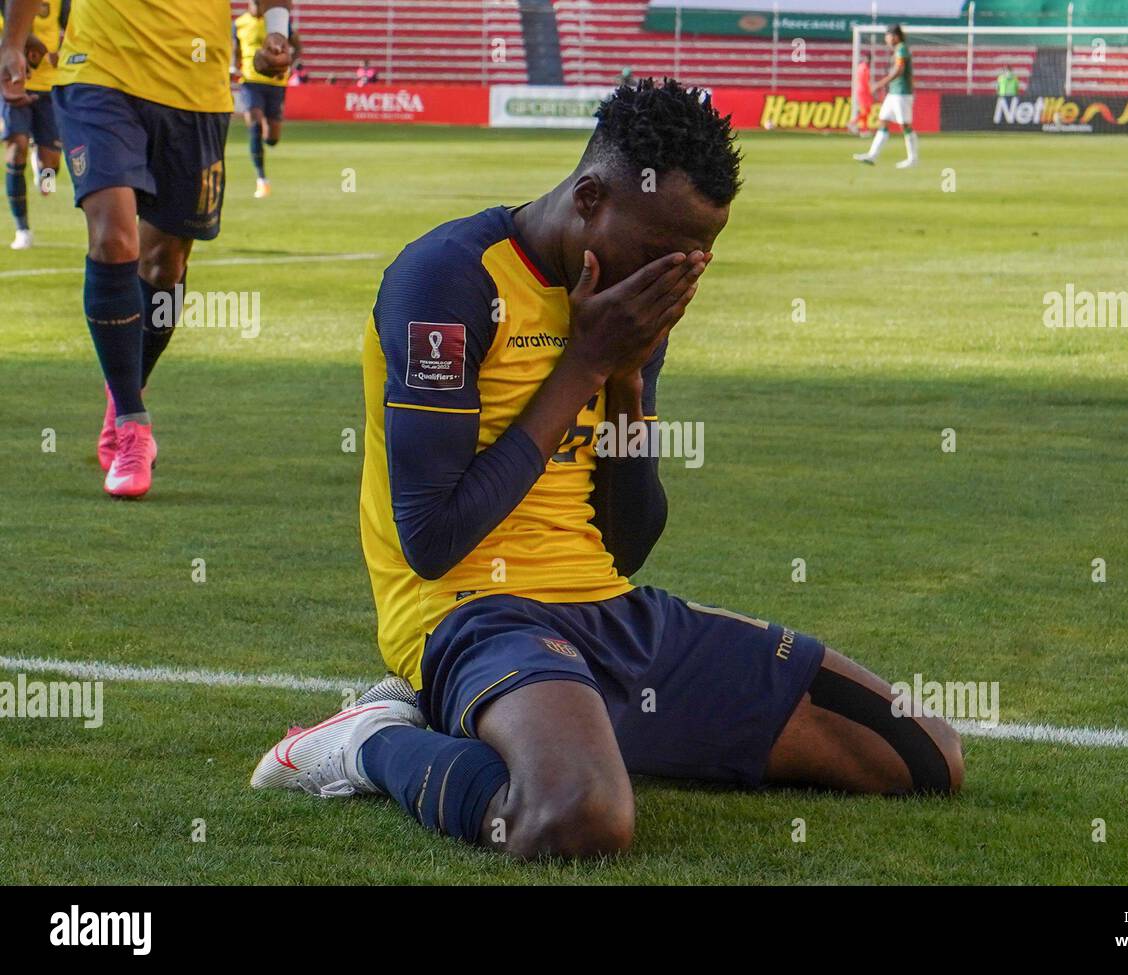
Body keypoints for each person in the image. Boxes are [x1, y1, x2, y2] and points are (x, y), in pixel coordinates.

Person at [250, 80, 964, 860]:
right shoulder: (450, 280)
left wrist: (625, 380)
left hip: (603, 607)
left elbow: (625, 546)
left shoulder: (626, 300)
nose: (679, 277)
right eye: (663, 253)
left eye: (698, 258)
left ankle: (572, 722)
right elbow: (431, 538)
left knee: (923, 755)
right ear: (590, 198)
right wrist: (582, 365)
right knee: (577, 818)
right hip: (469, 614)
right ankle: (368, 742)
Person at [0, 0, 292, 498]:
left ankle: (123, 392)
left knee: (165, 265)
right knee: (114, 238)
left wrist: (277, 35)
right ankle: (134, 425)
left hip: (195, 94)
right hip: (98, 75)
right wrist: (12, 38)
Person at [2, 0, 67, 250]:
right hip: (15, 80)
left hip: (50, 84)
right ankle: (22, 229)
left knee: (50, 162)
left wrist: (62, 52)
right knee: (16, 147)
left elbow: (71, 28)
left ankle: (42, 169)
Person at [233, 0, 297, 199]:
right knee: (254, 122)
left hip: (276, 83)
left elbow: (298, 47)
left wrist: (287, 65)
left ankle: (265, 139)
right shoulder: (239, 23)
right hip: (250, 81)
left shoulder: (277, 21)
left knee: (271, 139)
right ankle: (262, 179)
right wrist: (233, 67)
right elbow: (235, 49)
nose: (255, 6)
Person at [853, 24, 917, 169]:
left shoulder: (901, 49)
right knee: (883, 121)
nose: (886, 40)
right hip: (894, 92)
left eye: (887, 36)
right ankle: (872, 155)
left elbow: (899, 70)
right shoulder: (898, 49)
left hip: (901, 93)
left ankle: (913, 159)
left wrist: (880, 83)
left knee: (905, 125)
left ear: (895, 36)